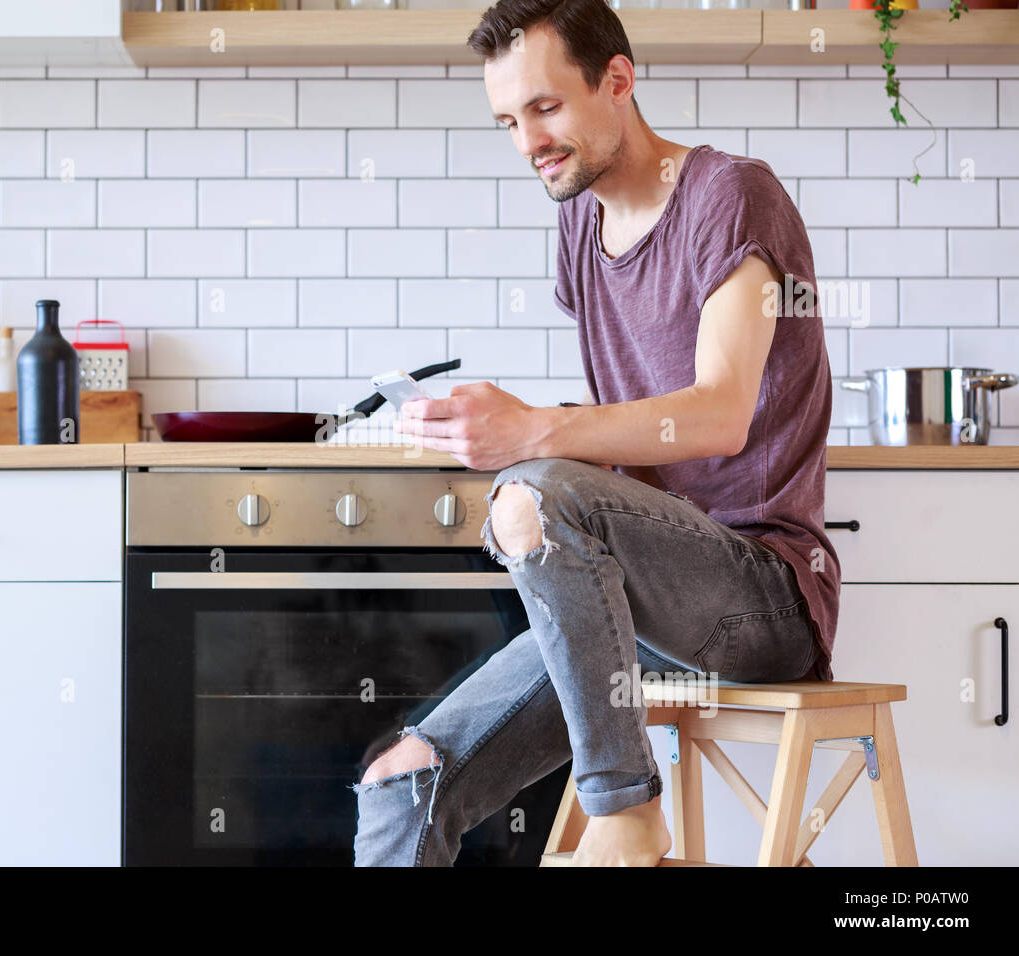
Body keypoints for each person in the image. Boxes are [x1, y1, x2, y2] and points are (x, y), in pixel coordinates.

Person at [351, 0, 840, 866]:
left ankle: (623, 801)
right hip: (636, 609)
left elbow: (719, 414)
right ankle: (600, 792)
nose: (528, 140)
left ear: (618, 81)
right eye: (508, 120)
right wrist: (503, 434)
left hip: (763, 597)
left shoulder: (731, 196)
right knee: (403, 776)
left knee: (534, 490)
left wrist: (534, 439)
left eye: (545, 108)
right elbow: (622, 446)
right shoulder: (580, 221)